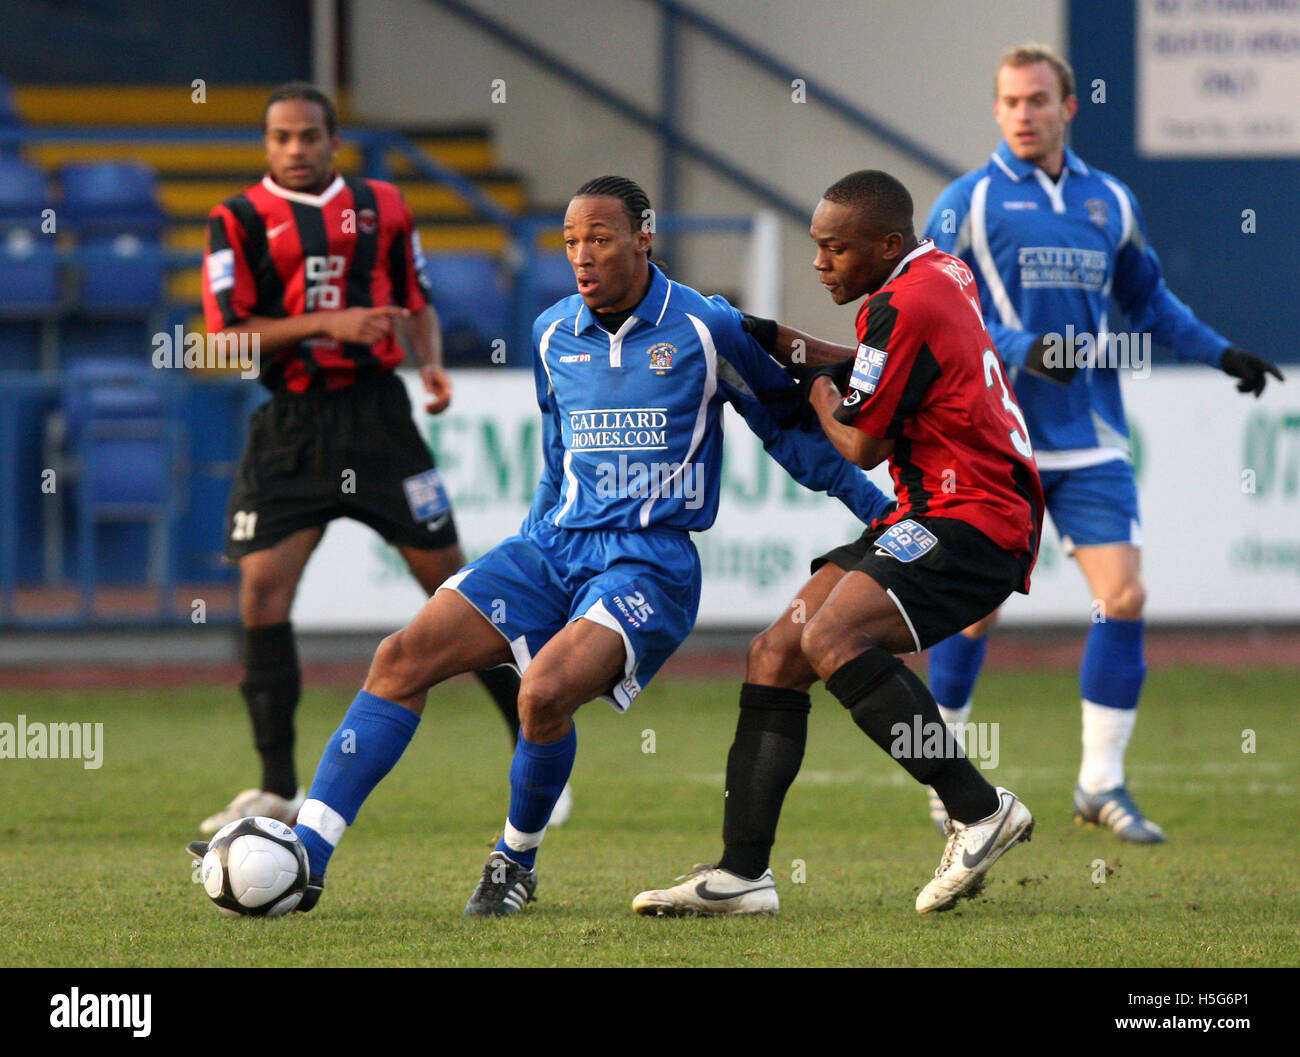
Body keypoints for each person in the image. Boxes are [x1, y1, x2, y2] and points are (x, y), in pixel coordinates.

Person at [188, 174, 894, 916]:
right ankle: (308, 855)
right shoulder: (553, 331)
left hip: (648, 563)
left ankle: (514, 862)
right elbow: (558, 456)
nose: (582, 257)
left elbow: (788, 433)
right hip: (551, 546)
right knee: (400, 656)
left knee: (544, 693)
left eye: (599, 238)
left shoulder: (703, 328)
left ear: (643, 238)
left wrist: (875, 510)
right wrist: (531, 547)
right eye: (569, 243)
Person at [633, 168, 1045, 917]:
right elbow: (876, 366)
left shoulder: (902, 302)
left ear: (887, 244)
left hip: (976, 516)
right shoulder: (936, 272)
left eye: (835, 249)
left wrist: (819, 396)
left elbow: (860, 443)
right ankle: (742, 876)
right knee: (777, 651)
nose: (819, 262)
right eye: (817, 246)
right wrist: (779, 342)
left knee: (833, 634)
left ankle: (979, 809)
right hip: (931, 511)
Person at [920, 43, 1284, 843]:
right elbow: (934, 309)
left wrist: (1221, 352)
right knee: (973, 614)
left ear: (1067, 107)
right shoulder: (966, 202)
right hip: (994, 441)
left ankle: (1100, 783)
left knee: (1122, 596)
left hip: (1089, 439)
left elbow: (1147, 300)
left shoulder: (1109, 201)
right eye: (1011, 101)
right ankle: (945, 781)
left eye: (1038, 101)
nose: (1024, 113)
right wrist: (1020, 351)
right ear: (996, 109)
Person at [197, 82, 532, 837]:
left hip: (377, 416)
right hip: (290, 425)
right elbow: (223, 339)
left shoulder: (383, 206)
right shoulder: (238, 218)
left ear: (332, 140)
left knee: (455, 587)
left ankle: (531, 741)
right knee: (261, 593)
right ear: (266, 144)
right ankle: (276, 786)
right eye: (281, 137)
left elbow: (416, 297)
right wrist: (329, 321)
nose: (295, 149)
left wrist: (433, 362)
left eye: (309, 135)